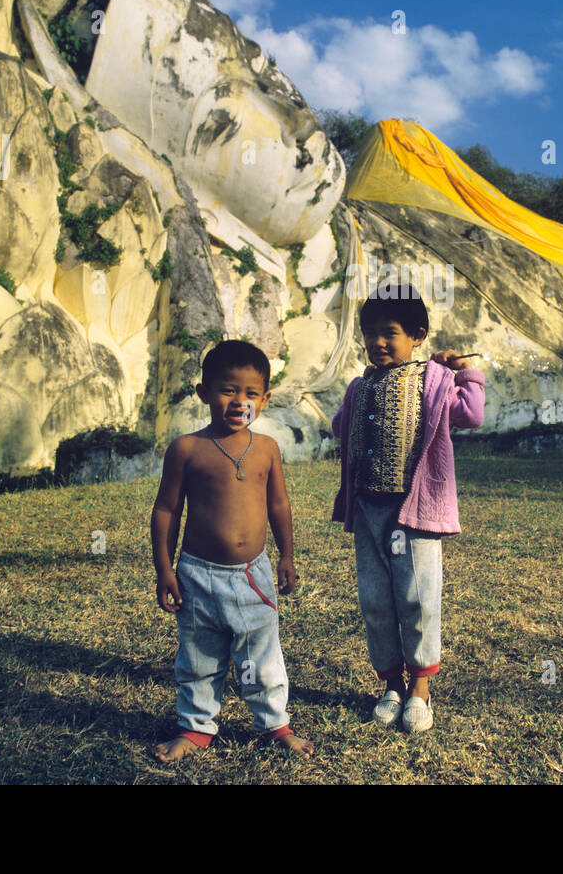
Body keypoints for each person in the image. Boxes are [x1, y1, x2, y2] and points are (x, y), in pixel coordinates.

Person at [331, 286, 485, 733]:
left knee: (417, 599)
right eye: (370, 334)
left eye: (389, 333)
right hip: (368, 511)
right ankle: (391, 684)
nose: (378, 342)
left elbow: (471, 416)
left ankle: (420, 688)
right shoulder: (359, 386)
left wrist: (465, 374)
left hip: (412, 511)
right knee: (376, 601)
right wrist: (352, 413)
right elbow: (342, 429)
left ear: (417, 335)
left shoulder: (432, 381)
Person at [150, 339, 313, 761]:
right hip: (197, 574)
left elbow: (279, 504)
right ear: (204, 392)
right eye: (227, 389)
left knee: (261, 655)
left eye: (251, 393)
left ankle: (275, 724)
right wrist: (164, 568)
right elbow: (167, 510)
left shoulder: (267, 450)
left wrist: (287, 555)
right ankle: (195, 728)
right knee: (199, 656)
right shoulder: (187, 449)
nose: (239, 401)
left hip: (252, 575)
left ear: (265, 399)